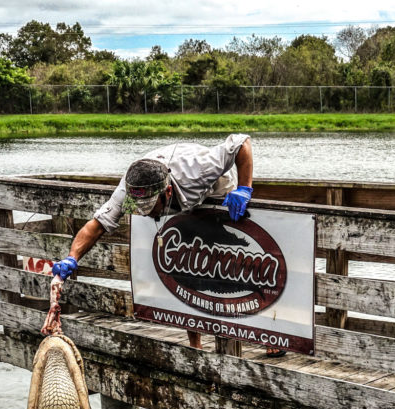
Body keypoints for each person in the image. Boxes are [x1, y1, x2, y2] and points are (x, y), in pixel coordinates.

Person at [49, 134, 266, 351]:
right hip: (180, 204)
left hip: (217, 189)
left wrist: (244, 188)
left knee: (232, 266)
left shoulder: (198, 170)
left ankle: (263, 336)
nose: (146, 214)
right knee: (186, 270)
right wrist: (71, 258)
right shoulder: (129, 189)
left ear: (167, 192)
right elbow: (96, 225)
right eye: (140, 208)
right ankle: (196, 345)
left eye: (150, 207)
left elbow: (241, 143)